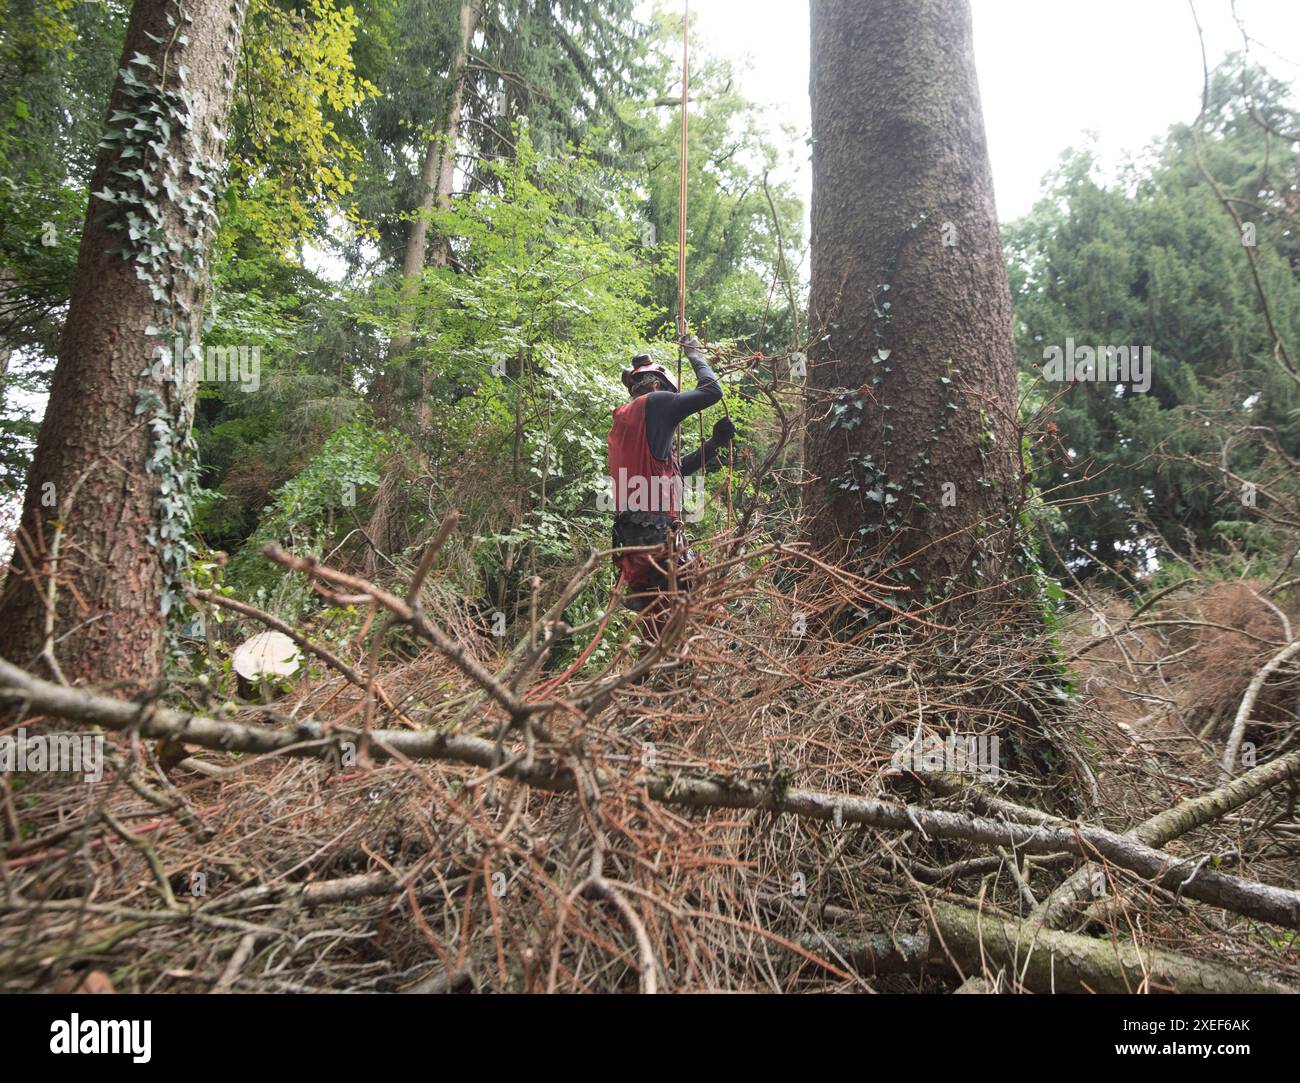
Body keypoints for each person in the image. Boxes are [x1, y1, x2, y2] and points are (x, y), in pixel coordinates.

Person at [607, 331, 734, 643]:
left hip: (631, 541)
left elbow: (677, 468)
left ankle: (651, 684)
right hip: (658, 538)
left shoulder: (626, 423)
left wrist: (713, 443)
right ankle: (675, 681)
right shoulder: (657, 403)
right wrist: (695, 353)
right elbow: (710, 391)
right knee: (685, 615)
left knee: (657, 626)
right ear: (656, 386)